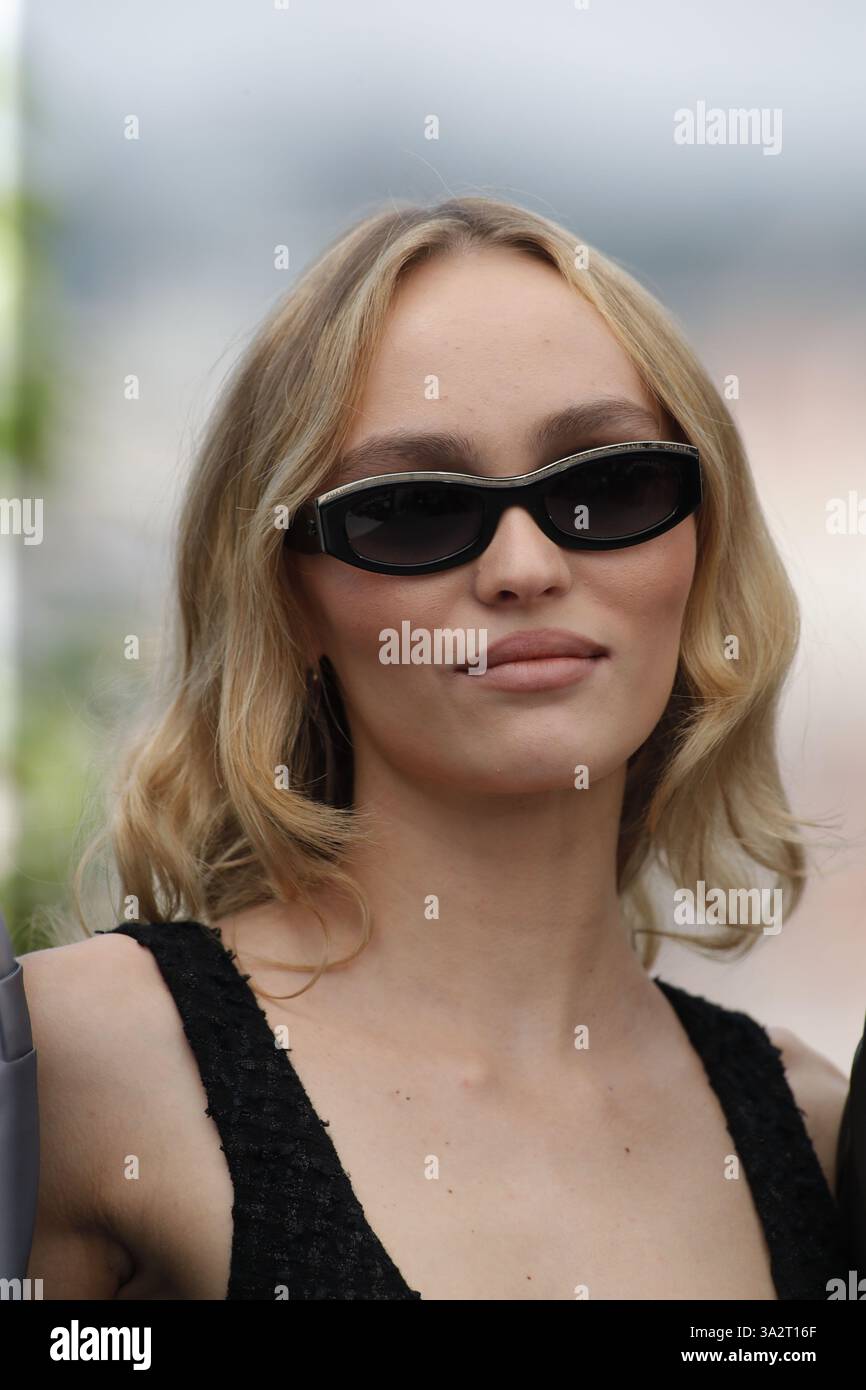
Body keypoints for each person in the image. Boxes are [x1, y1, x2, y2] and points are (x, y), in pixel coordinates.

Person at [20, 197, 853, 1300]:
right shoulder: (77, 1060)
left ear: (700, 544)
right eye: (411, 507)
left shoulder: (813, 1133)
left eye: (607, 486)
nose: (523, 564)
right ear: (289, 600)